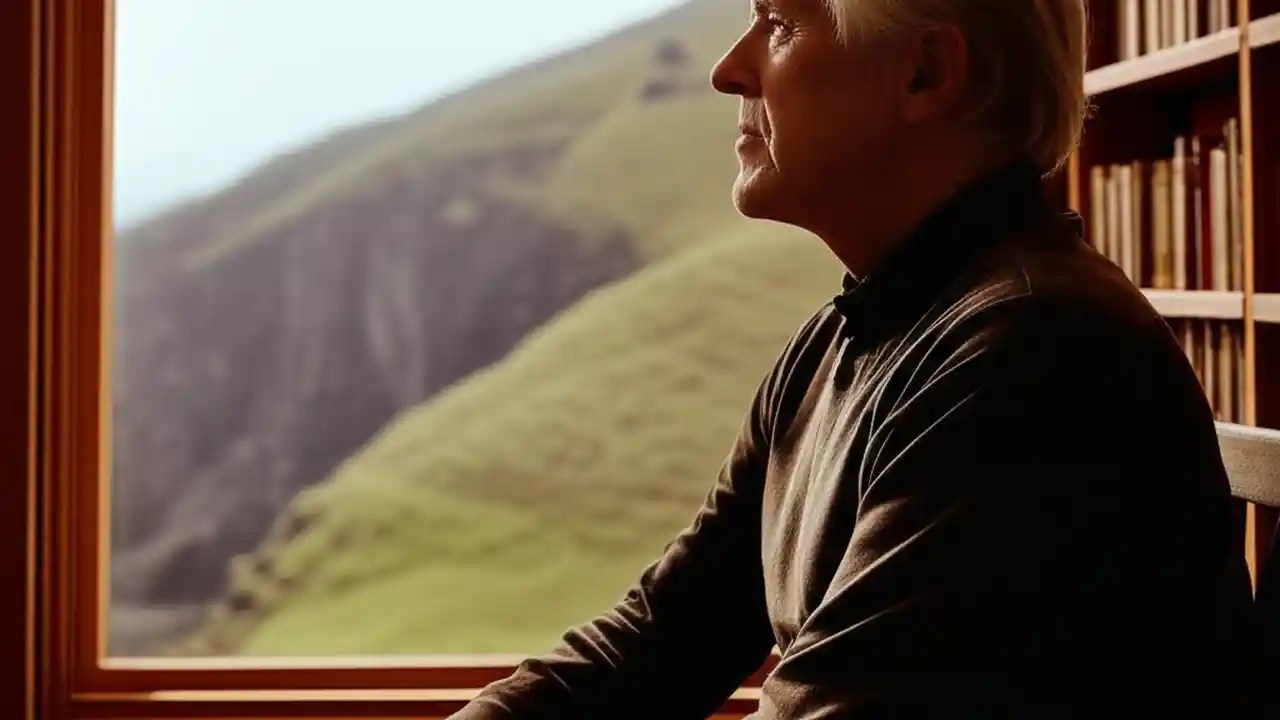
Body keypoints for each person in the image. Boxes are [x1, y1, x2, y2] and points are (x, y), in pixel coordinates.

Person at [450, 1, 1253, 717]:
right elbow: (658, 644)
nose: (728, 71)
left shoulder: (1035, 356)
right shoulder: (852, 336)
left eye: (778, 24)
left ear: (926, 74)